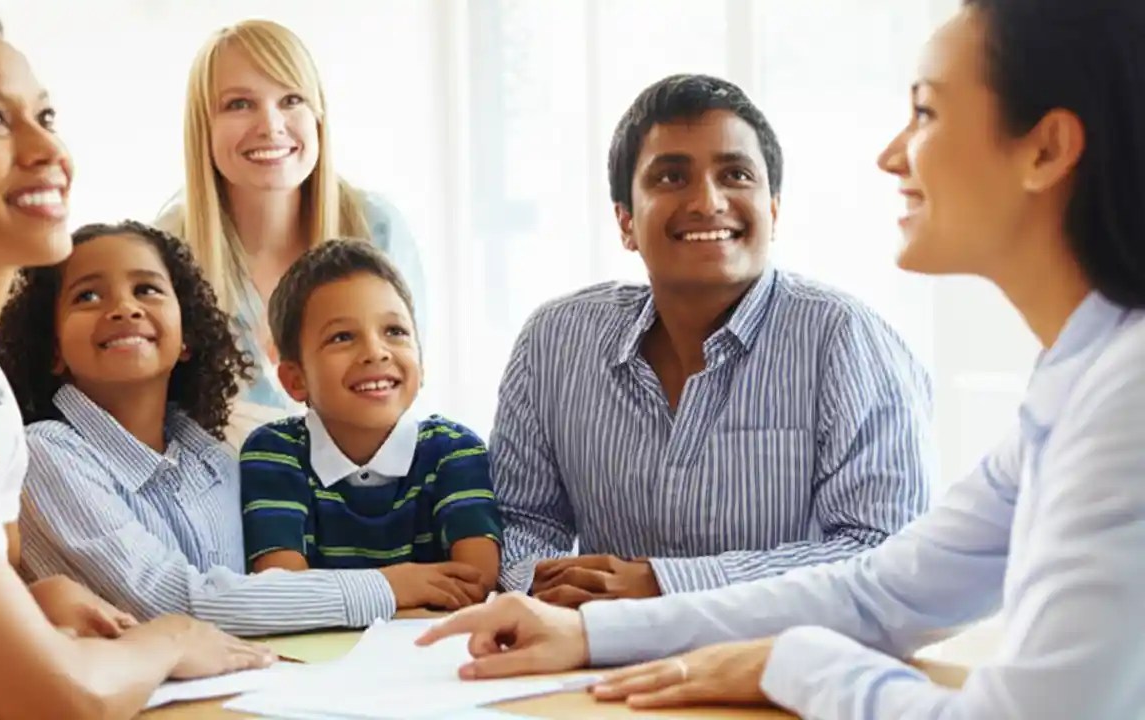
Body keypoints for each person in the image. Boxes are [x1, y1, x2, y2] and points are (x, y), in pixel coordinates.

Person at [418, 1, 1145, 717]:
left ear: (1045, 149)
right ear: (624, 220)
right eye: (671, 177)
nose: (891, 154)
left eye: (925, 113)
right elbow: (881, 589)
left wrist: (788, 660)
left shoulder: (1126, 396)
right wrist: (588, 628)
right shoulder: (1078, 381)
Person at [0, 5, 271, 719]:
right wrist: (170, 640)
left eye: (46, 117)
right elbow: (66, 695)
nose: (48, 150)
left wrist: (34, 602)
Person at [492, 73, 933, 605]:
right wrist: (539, 579)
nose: (707, 201)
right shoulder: (554, 342)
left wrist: (663, 585)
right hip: (592, 661)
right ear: (626, 222)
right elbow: (519, 521)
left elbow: (881, 552)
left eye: (736, 174)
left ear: (773, 210)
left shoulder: (847, 340)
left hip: (782, 666)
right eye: (671, 177)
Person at [0, 221, 380, 636]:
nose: (124, 308)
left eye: (147, 289)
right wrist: (384, 587)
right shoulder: (46, 455)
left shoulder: (217, 461)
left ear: (186, 336)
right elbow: (173, 605)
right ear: (53, 350)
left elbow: (265, 588)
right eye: (87, 296)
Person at [157, 19, 426, 416]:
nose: (270, 126)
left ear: (318, 116)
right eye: (239, 104)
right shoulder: (165, 251)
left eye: (291, 100)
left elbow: (406, 399)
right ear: (204, 127)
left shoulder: (376, 229)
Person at [241, 239, 502, 608]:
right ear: (295, 379)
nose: (376, 352)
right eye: (342, 337)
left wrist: (343, 595)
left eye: (395, 331)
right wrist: (397, 586)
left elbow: (476, 580)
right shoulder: (274, 454)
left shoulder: (455, 450)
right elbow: (283, 588)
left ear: (422, 362)